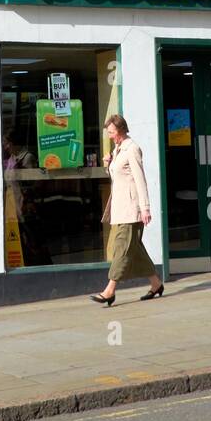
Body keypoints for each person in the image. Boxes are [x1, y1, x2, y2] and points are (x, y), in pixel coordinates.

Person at [91, 114, 163, 306]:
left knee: (121, 248)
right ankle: (156, 284)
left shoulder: (132, 149)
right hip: (120, 209)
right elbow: (119, 176)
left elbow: (140, 180)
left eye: (112, 133)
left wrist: (145, 208)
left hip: (132, 210)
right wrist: (108, 165)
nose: (110, 136)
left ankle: (110, 290)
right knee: (135, 249)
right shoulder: (118, 150)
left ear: (121, 130)